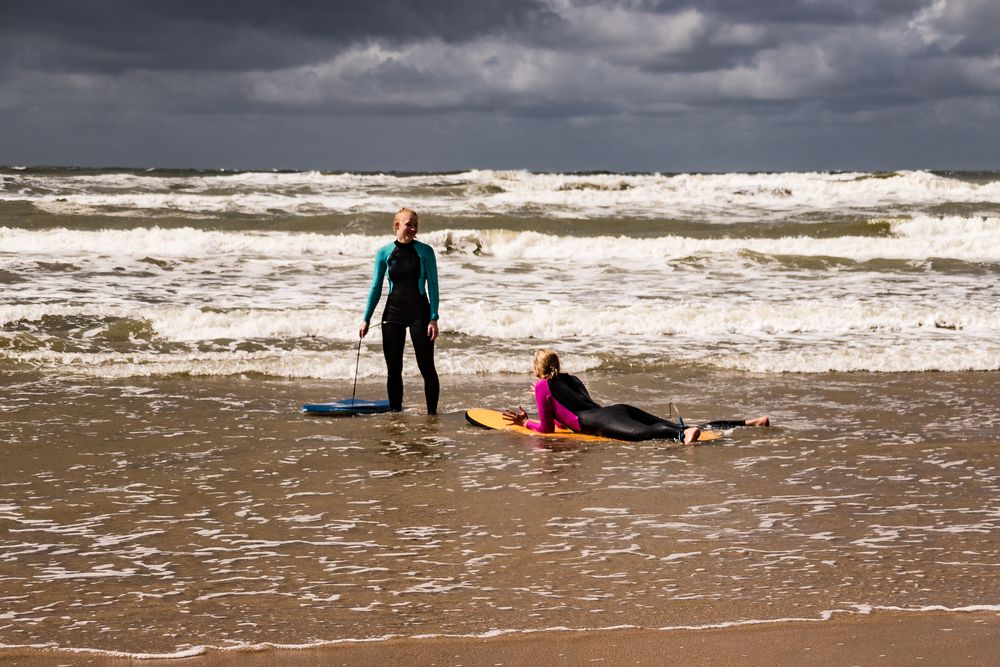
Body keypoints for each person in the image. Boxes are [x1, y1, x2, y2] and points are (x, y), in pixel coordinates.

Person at [503, 349, 769, 444]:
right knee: (672, 424)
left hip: (599, 422)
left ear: (538, 369)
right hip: (616, 409)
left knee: (643, 434)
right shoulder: (572, 379)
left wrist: (525, 422)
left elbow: (549, 429)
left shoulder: (541, 387)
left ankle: (681, 437)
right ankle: (747, 423)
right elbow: (566, 417)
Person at [359, 207, 440, 414]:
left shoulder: (425, 251)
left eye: (415, 225)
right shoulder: (384, 253)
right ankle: (396, 416)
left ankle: (432, 417)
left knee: (426, 367)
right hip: (393, 313)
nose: (413, 228)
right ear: (397, 226)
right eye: (408, 224)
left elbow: (433, 285)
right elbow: (376, 287)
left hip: (419, 313)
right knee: (393, 370)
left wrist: (434, 318)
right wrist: (366, 318)